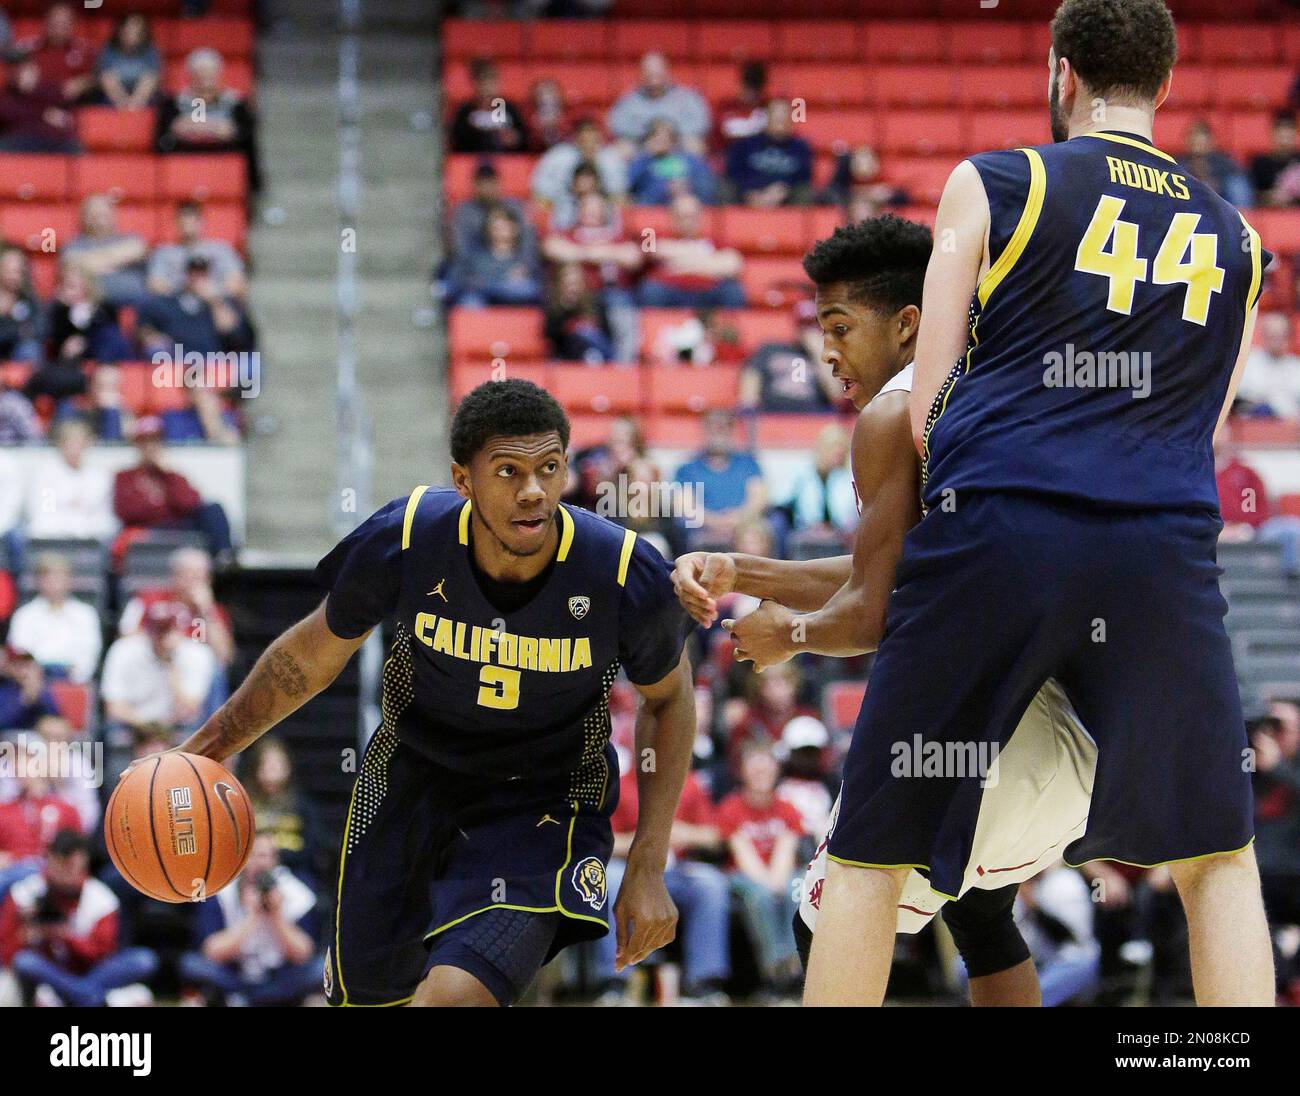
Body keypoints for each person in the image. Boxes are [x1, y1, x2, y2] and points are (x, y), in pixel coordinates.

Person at [803, 0, 1274, 1006]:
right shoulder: (1238, 238)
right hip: (1162, 542)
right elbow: (1205, 428)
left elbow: (926, 407)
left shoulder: (994, 181)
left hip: (1003, 521)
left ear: (1061, 72)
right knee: (1217, 860)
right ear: (1166, 84)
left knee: (867, 857)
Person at [129, 380, 699, 1007]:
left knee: (452, 1001)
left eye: (549, 468)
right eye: (508, 471)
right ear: (464, 480)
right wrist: (203, 749)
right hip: (409, 783)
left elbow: (668, 698)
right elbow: (311, 656)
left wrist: (648, 859)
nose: (533, 490)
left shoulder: (621, 570)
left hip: (541, 805)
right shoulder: (406, 539)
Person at [673, 214, 1098, 1007]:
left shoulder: (893, 414)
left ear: (909, 324)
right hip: (1081, 734)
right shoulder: (1000, 386)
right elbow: (898, 568)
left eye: (840, 327)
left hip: (1001, 734)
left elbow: (870, 613)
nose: (825, 351)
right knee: (979, 911)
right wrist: (742, 569)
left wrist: (787, 635)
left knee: (823, 921)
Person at [594, 759, 730, 1005]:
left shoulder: (688, 783)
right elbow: (602, 841)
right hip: (630, 871)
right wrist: (645, 841)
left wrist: (686, 833)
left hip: (675, 872)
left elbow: (714, 837)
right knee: (609, 878)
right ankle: (615, 982)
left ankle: (704, 983)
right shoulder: (620, 784)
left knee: (711, 883)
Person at [0, 829, 158, 1007]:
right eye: (61, 865)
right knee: (25, 962)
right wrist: (27, 934)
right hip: (49, 974)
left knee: (143, 959)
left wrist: (64, 936)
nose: (66, 873)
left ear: (84, 863)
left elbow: (103, 956)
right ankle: (97, 1000)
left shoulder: (101, 899)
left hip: (90, 974)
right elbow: (7, 954)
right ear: (48, 861)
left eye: (72, 866)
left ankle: (76, 997)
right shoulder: (25, 893)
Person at [179, 833, 323, 1006]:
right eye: (252, 855)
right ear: (242, 860)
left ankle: (255, 1000)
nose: (259, 862)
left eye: (264, 855)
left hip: (280, 976)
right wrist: (252, 917)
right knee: (192, 964)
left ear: (275, 860)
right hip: (234, 975)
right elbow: (212, 951)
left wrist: (276, 915)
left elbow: (304, 953)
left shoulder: (297, 893)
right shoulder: (222, 891)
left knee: (319, 968)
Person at [716, 744, 803, 996]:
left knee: (795, 890)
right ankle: (774, 974)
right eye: (754, 766)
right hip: (743, 875)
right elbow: (744, 856)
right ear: (742, 771)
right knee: (761, 896)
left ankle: (795, 969)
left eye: (766, 765)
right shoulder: (731, 807)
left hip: (782, 874)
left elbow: (787, 851)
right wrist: (769, 884)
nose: (761, 772)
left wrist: (778, 882)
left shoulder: (787, 807)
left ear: (776, 770)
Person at [113, 416, 235, 557]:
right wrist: (166, 508)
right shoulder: (125, 476)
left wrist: (168, 474)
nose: (151, 447)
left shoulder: (171, 475)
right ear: (138, 445)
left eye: (156, 441)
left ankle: (225, 558)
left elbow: (190, 503)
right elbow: (128, 512)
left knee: (213, 509)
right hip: (148, 530)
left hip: (176, 527)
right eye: (145, 442)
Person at [100, 600, 216, 735]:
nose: (163, 638)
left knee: (194, 727)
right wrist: (147, 725)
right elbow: (113, 707)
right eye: (159, 631)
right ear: (147, 631)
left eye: (169, 630)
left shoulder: (197, 653)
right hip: (134, 725)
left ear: (180, 631)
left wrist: (171, 663)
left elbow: (191, 708)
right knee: (114, 730)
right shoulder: (124, 649)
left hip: (176, 725)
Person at [156, 48, 261, 194]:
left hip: (225, 171)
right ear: (191, 76)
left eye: (210, 73)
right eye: (200, 73)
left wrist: (226, 131)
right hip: (184, 171)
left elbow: (246, 141)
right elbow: (161, 141)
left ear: (218, 75)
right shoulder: (173, 104)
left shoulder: (237, 104)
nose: (205, 79)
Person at [672, 409, 766, 546]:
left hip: (743, 528)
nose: (718, 432)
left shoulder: (748, 464)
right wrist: (716, 522)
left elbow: (759, 500)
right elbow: (685, 508)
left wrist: (737, 519)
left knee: (755, 536)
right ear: (704, 430)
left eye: (723, 427)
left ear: (731, 430)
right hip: (702, 529)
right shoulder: (686, 470)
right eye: (713, 427)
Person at [634, 194, 745, 310]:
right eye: (682, 217)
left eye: (692, 217)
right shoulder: (655, 234)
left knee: (732, 291)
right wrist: (703, 256)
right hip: (669, 290)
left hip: (707, 291)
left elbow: (733, 264)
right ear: (671, 217)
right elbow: (648, 252)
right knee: (650, 290)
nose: (688, 222)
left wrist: (677, 263)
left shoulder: (714, 239)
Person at [7, 553, 102, 683]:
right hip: (32, 685)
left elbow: (88, 656)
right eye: (48, 578)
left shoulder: (86, 614)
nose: (53, 584)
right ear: (38, 581)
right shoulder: (24, 615)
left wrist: (73, 676)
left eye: (59, 578)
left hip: (73, 683)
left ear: (69, 580)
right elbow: (20, 653)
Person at [23, 417, 117, 541]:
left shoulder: (100, 477)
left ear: (88, 443)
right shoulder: (45, 476)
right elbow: (44, 514)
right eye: (69, 442)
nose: (75, 447)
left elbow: (104, 518)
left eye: (80, 442)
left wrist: (81, 528)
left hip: (90, 542)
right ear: (60, 444)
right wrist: (71, 527)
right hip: (53, 541)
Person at [740, 298, 840, 412]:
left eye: (813, 325)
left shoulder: (828, 358)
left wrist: (818, 352)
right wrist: (749, 406)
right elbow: (751, 374)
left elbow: (835, 395)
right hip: (773, 412)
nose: (807, 330)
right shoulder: (771, 349)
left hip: (810, 416)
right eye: (803, 324)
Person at [530, 117, 627, 226]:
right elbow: (540, 195)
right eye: (584, 140)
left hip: (600, 211)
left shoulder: (611, 159)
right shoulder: (558, 157)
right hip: (563, 207)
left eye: (593, 140)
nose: (589, 145)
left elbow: (619, 198)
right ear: (576, 138)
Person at [608, 52, 710, 156]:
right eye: (649, 74)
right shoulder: (628, 101)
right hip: (641, 148)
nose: (654, 80)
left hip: (678, 147)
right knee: (621, 149)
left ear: (667, 72)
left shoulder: (688, 98)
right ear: (641, 74)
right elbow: (619, 128)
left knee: (694, 145)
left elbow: (699, 126)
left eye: (657, 74)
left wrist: (667, 138)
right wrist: (650, 139)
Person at [146, 201, 247, 299]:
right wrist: (185, 290)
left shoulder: (221, 250)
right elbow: (155, 285)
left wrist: (212, 292)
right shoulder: (163, 253)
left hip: (213, 303)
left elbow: (236, 284)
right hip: (176, 306)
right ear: (176, 223)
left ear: (202, 222)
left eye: (192, 220)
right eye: (183, 221)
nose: (188, 225)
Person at [723, 99, 814, 207]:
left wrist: (782, 190)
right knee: (725, 188)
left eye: (784, 117)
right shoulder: (745, 144)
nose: (780, 121)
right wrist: (751, 191)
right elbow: (734, 173)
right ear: (766, 118)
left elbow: (804, 177)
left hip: (786, 196)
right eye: (776, 117)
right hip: (749, 193)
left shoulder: (800, 147)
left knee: (804, 193)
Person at [61, 195, 149, 307]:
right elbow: (71, 264)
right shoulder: (72, 246)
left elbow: (137, 249)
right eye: (94, 214)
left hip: (137, 306)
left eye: (103, 213)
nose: (99, 219)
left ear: (113, 215)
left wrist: (92, 263)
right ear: (84, 217)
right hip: (90, 311)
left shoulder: (132, 240)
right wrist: (118, 259)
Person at [14, 2, 92, 106]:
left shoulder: (84, 50)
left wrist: (84, 82)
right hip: (30, 103)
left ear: (73, 25)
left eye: (64, 23)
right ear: (45, 23)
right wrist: (18, 74)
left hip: (67, 105)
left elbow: (95, 77)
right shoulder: (26, 48)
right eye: (54, 23)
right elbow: (12, 77)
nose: (58, 28)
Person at [627, 120, 717, 206]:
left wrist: (688, 184)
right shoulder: (643, 161)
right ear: (649, 139)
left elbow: (706, 182)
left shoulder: (689, 159)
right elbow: (628, 183)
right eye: (656, 136)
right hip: (653, 207)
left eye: (665, 137)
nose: (661, 140)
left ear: (673, 140)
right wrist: (664, 188)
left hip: (686, 204)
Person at [449, 58, 528, 153]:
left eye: (492, 82)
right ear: (475, 84)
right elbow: (457, 142)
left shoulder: (509, 108)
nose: (488, 87)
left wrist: (514, 139)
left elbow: (523, 139)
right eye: (484, 82)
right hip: (474, 159)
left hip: (507, 160)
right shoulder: (466, 110)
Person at [0, 58, 78, 153]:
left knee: (74, 149)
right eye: (20, 72)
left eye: (29, 71)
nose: (25, 76)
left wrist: (64, 118)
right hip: (19, 139)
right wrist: (42, 114)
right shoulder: (7, 96)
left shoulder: (50, 91)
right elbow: (7, 114)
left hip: (53, 139)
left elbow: (68, 117)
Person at [1237, 310, 1300, 417]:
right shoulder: (1248, 362)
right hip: (1252, 424)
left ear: (1289, 337)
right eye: (1272, 335)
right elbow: (1240, 399)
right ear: (1264, 335)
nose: (1276, 341)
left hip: (1288, 426)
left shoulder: (1296, 367)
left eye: (1281, 336)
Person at [1178, 119, 1252, 209]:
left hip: (1223, 203)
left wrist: (1214, 184)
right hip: (1190, 202)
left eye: (1201, 137)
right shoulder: (1179, 163)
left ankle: (1241, 217)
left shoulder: (1223, 161)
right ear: (1187, 140)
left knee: (1237, 184)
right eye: (1194, 137)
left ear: (1211, 140)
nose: (1197, 141)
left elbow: (1235, 179)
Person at [93, 12, 160, 110]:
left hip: (144, 100)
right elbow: (107, 79)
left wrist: (135, 104)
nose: (132, 34)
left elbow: (150, 81)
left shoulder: (150, 52)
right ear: (120, 30)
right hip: (112, 100)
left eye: (137, 31)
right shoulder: (108, 50)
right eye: (128, 30)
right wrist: (122, 104)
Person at [0, 647, 59, 732]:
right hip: (12, 736)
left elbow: (55, 715)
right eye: (19, 666)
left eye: (28, 666)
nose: (24, 671)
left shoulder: (41, 687)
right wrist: (25, 701)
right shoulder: (6, 689)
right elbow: (3, 722)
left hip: (39, 735)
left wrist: (38, 695)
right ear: (10, 668)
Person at [1249, 111, 1300, 207]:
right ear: (1272, 134)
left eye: (1288, 137)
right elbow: (1252, 194)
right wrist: (1272, 196)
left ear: (1295, 135)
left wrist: (1292, 195)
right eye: (1282, 136)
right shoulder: (1261, 162)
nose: (1285, 142)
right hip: (1268, 212)